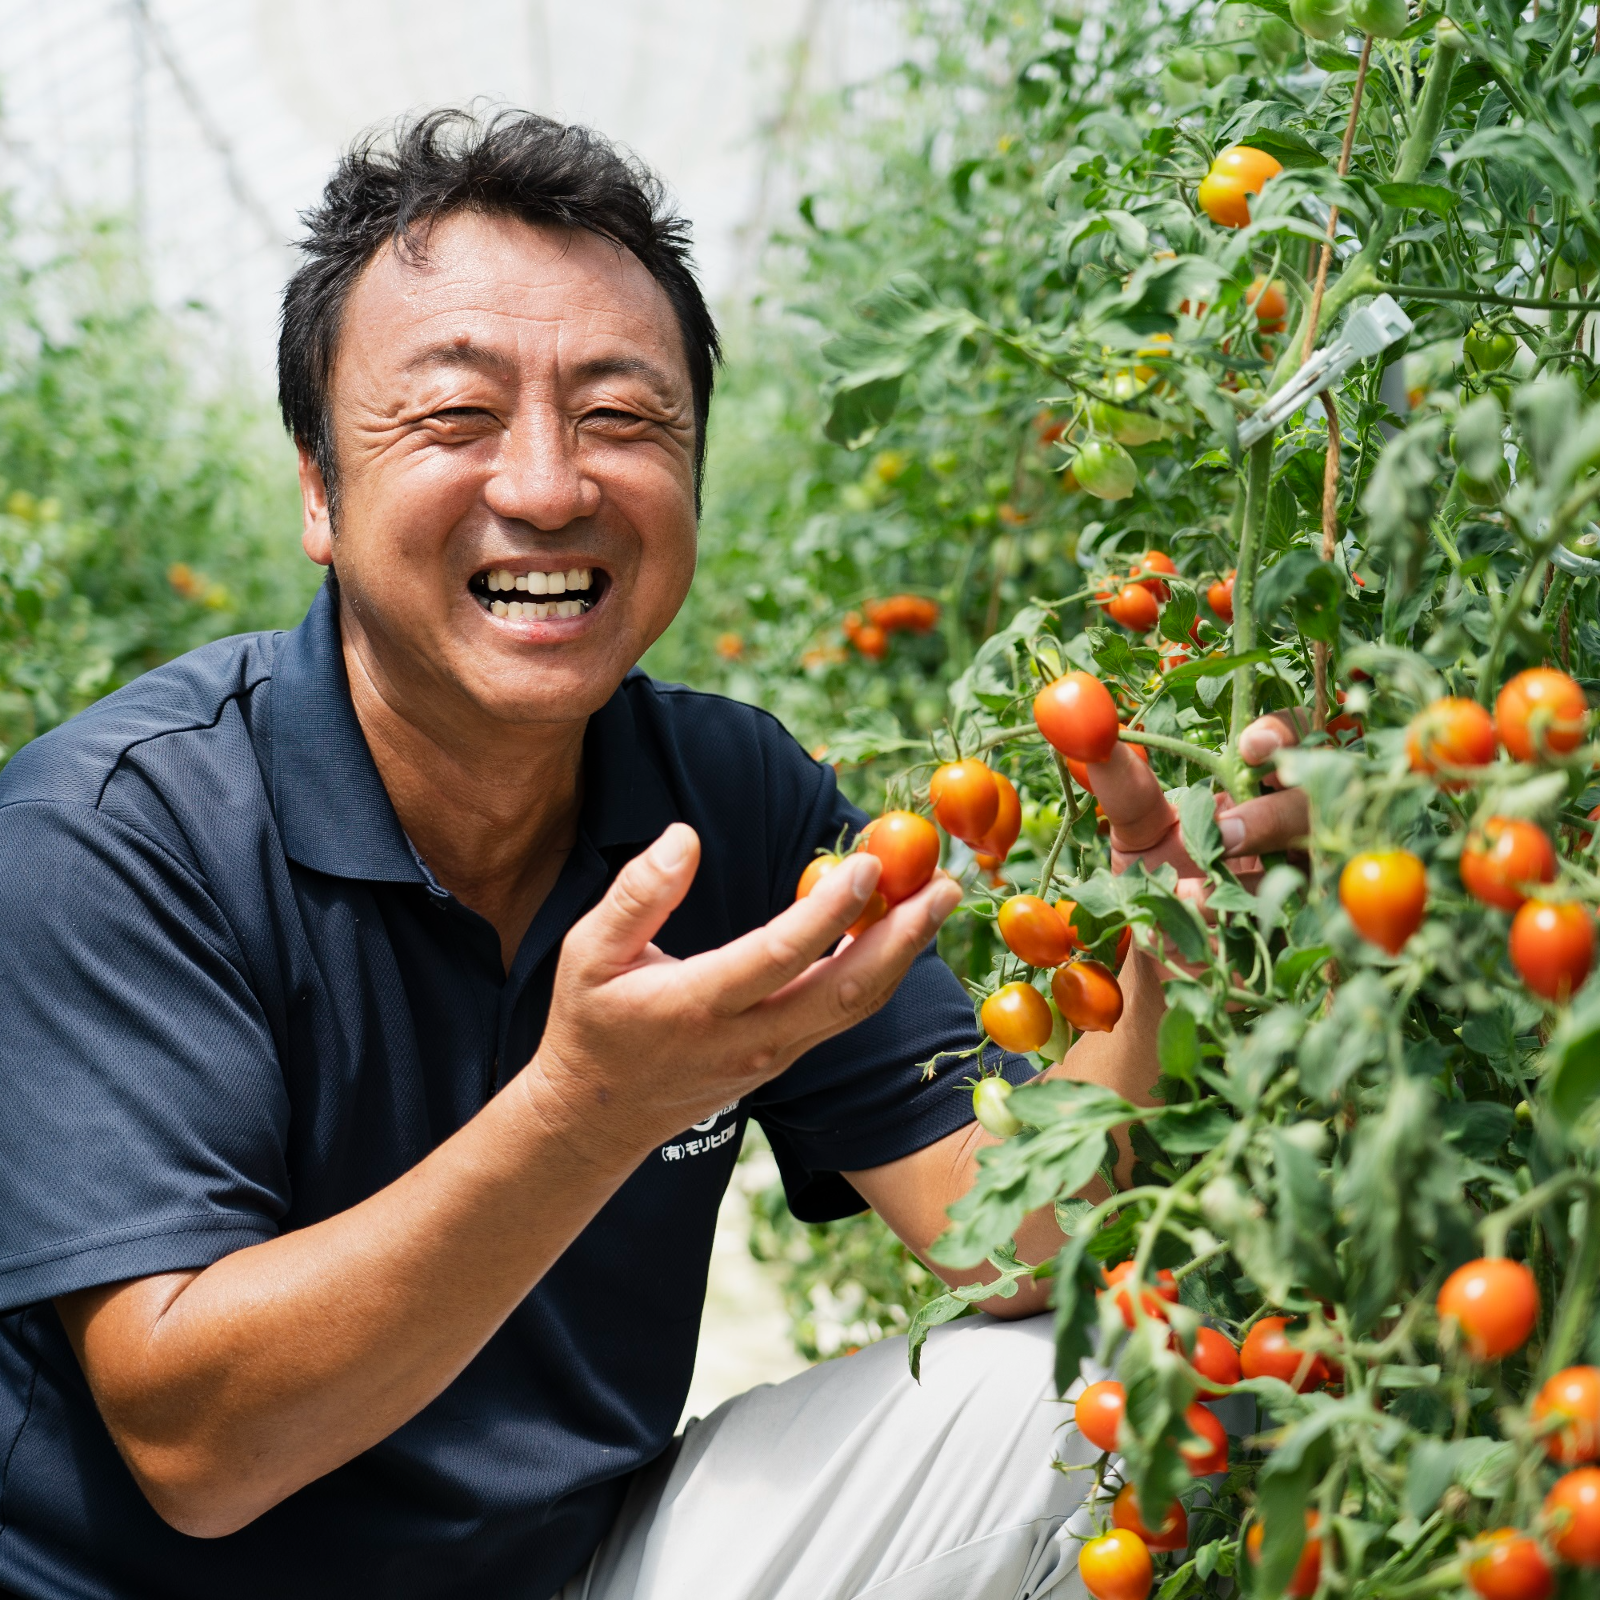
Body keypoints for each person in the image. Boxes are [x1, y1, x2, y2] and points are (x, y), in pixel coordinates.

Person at [0, 111, 1308, 1600]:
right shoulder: (115, 832)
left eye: (621, 418)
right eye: (456, 417)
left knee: (1088, 1393)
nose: (548, 487)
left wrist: (1165, 937)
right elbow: (198, 1449)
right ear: (319, 489)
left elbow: (1016, 1238)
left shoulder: (731, 798)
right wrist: (586, 1111)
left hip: (570, 1572)